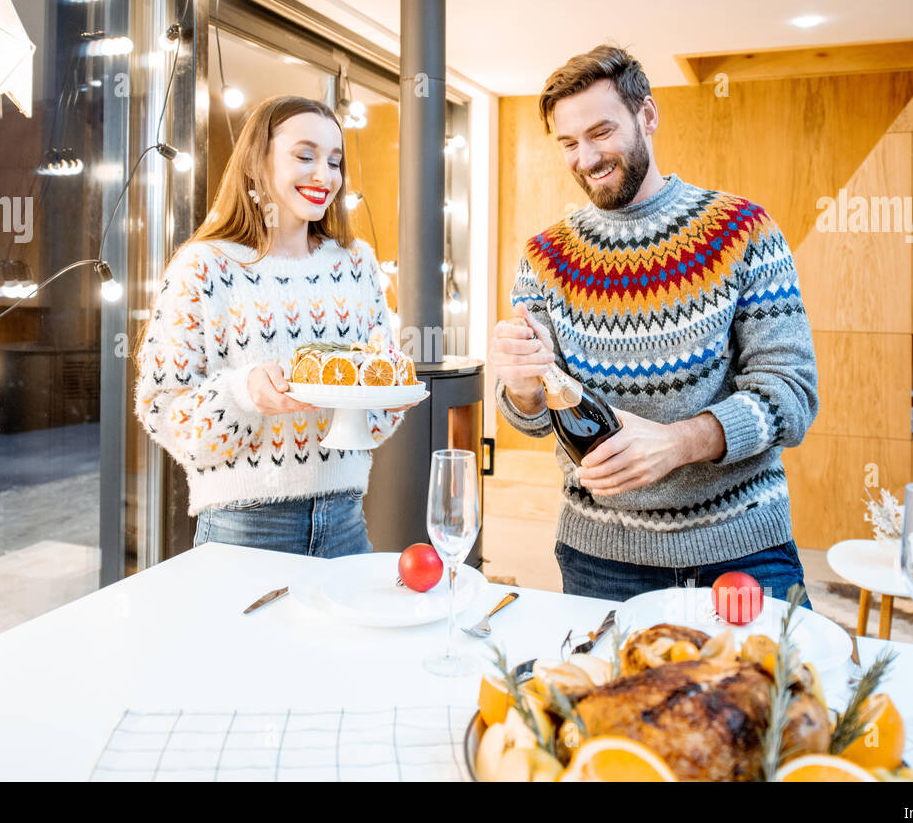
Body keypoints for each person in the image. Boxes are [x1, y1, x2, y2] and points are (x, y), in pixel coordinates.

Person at [490, 44, 819, 603]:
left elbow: (791, 396)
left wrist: (677, 443)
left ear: (648, 115)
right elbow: (534, 421)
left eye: (601, 132)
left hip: (741, 550)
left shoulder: (744, 231)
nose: (587, 158)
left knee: (775, 691)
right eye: (568, 143)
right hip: (599, 559)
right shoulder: (543, 255)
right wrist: (521, 387)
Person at [135, 95, 412, 557]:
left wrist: (386, 387)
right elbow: (163, 411)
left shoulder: (356, 263)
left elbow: (377, 413)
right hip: (244, 527)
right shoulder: (204, 267)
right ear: (255, 165)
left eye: (335, 161)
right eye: (305, 156)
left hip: (345, 519)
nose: (325, 176)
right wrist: (244, 393)